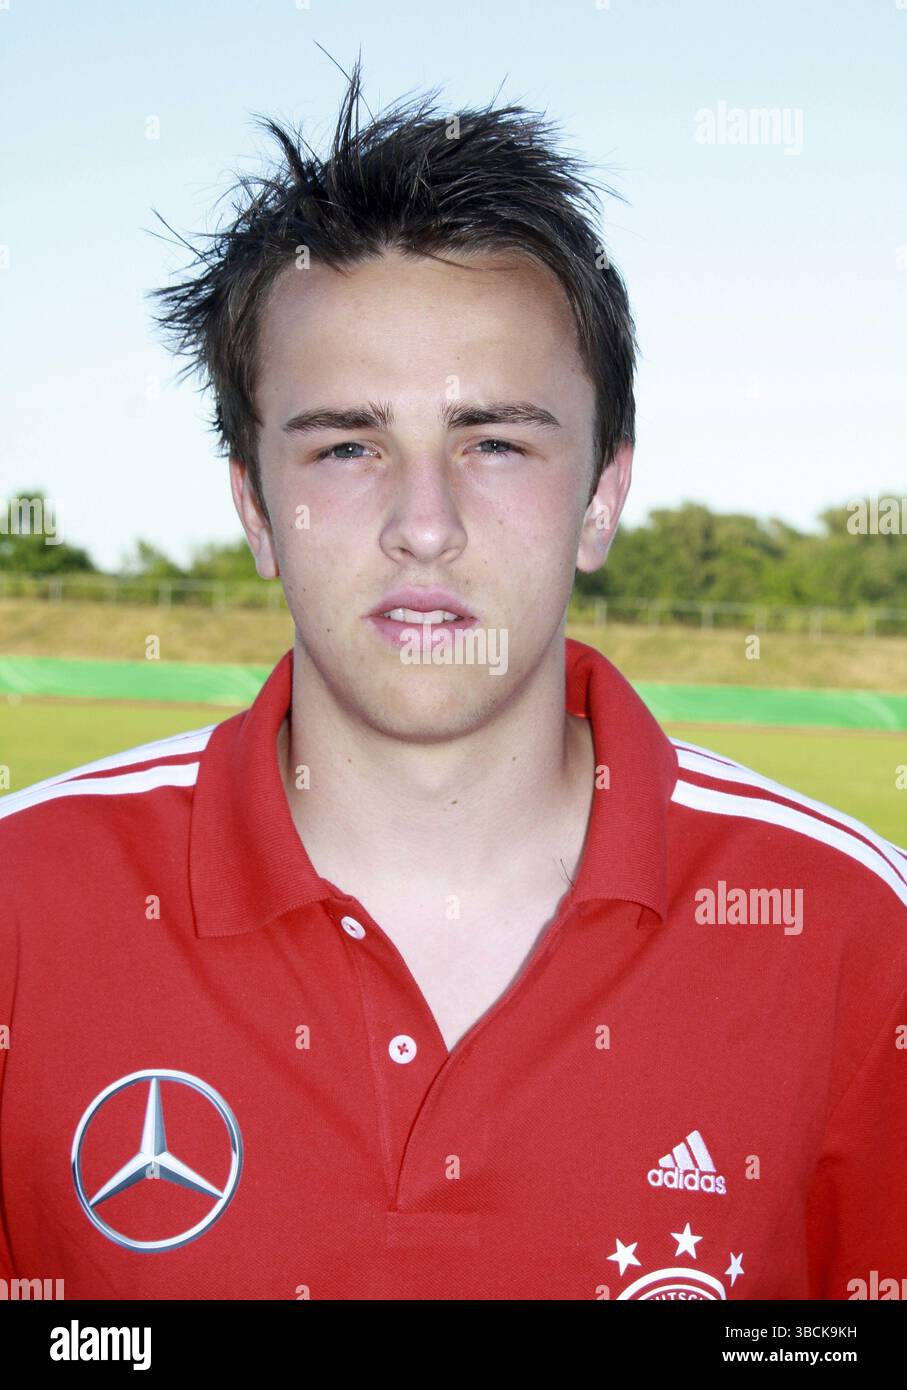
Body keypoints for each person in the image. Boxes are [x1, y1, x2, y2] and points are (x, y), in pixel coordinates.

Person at [1, 60, 905, 1302]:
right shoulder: (23, 908)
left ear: (601, 496)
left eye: (492, 441)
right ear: (255, 509)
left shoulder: (853, 929)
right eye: (346, 444)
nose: (422, 524)